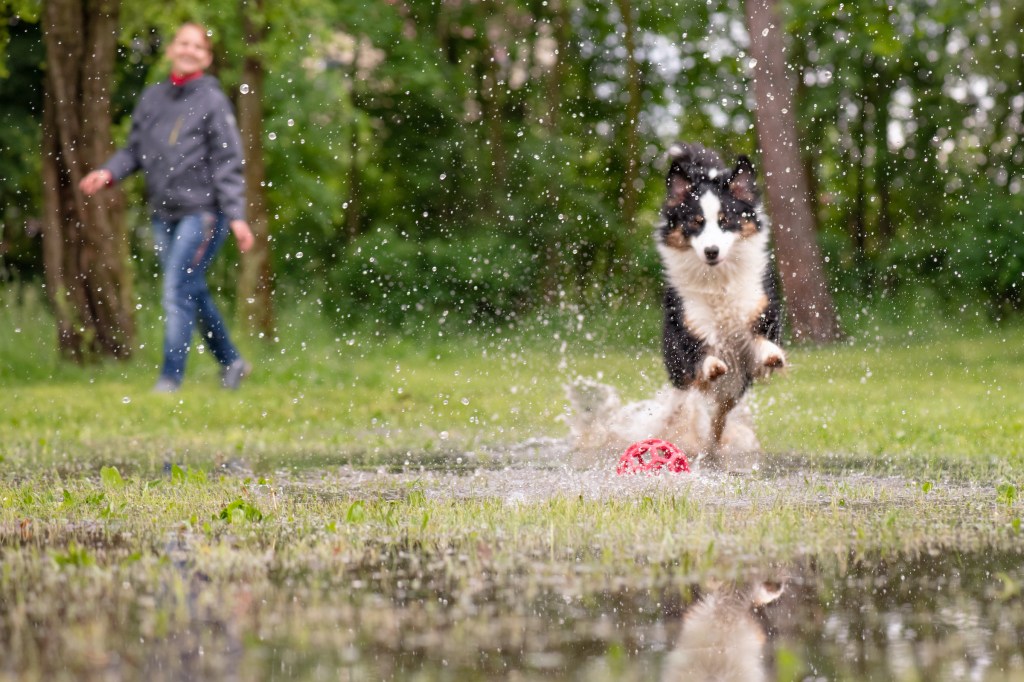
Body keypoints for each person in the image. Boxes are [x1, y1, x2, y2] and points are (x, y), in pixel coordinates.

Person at [80, 22, 255, 393]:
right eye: (184, 43)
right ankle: (232, 361)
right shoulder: (153, 98)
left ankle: (169, 380)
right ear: (173, 49)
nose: (190, 50)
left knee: (176, 290)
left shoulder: (212, 100)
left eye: (198, 46)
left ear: (206, 58)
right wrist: (107, 173)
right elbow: (133, 150)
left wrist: (237, 217)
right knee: (191, 289)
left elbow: (229, 162)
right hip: (164, 213)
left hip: (204, 213)